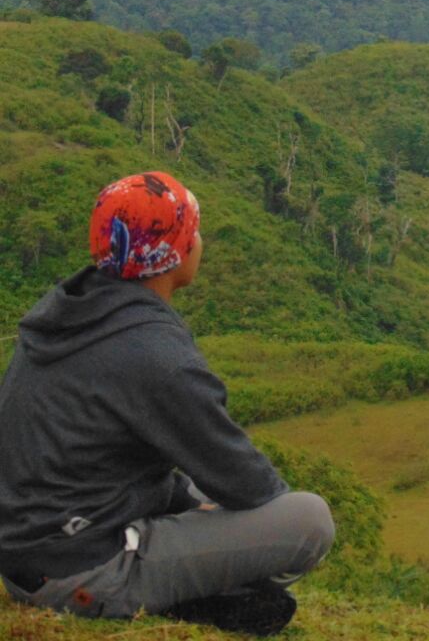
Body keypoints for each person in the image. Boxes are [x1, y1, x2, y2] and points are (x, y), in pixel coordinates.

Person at [0, 171, 335, 636]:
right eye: (192, 231)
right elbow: (249, 485)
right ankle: (196, 597)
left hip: (32, 549)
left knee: (199, 498)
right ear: (173, 252)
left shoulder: (66, 314)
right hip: (81, 569)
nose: (199, 241)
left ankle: (202, 595)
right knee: (307, 521)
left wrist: (197, 504)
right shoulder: (156, 355)